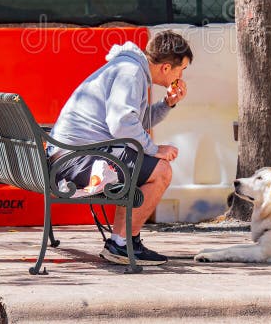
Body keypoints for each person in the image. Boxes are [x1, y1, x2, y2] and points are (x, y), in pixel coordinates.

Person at [49, 30, 192, 266]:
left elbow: (136, 121)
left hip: (74, 154)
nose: (182, 74)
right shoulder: (131, 73)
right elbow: (121, 124)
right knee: (161, 171)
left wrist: (167, 104)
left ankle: (124, 241)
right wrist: (153, 148)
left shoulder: (132, 68)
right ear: (166, 68)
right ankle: (122, 243)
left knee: (145, 165)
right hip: (76, 159)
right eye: (182, 69)